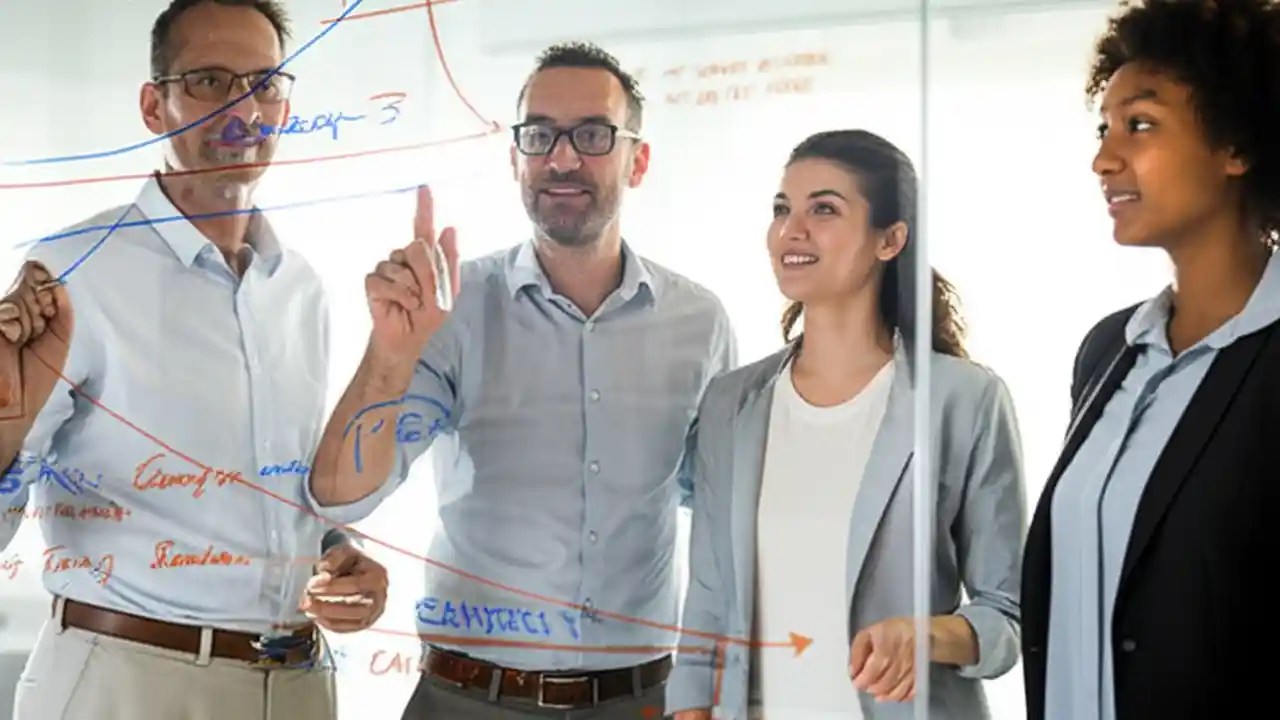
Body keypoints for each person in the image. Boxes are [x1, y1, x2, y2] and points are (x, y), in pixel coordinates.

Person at [305, 41, 737, 718]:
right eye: (540, 135)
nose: (563, 158)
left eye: (593, 135)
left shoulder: (699, 321)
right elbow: (340, 495)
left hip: (642, 700)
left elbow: (724, 515)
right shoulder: (451, 309)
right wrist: (390, 350)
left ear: (638, 159)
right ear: (515, 159)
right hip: (468, 699)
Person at [1, 2, 389, 718]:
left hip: (298, 684)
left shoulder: (299, 285)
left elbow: (276, 489)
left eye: (264, 83)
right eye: (209, 80)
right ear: (155, 105)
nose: (243, 108)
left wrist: (338, 553)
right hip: (128, 681)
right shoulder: (72, 271)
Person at [666, 130, 1026, 720]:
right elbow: (706, 609)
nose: (792, 230)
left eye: (824, 209)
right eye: (782, 209)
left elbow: (1007, 616)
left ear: (891, 240)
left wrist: (926, 634)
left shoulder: (964, 400)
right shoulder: (730, 405)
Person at [1021, 1, 1280, 719]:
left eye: (1140, 124)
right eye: (1104, 128)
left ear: (1237, 146)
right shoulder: (1110, 350)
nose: (1104, 157)